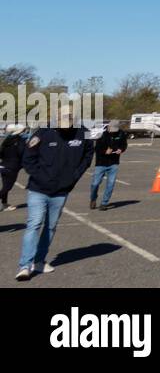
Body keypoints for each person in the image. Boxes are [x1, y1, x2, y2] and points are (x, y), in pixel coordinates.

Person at [16, 108, 94, 281]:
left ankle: (39, 261)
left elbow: (89, 155)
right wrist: (40, 177)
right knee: (34, 224)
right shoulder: (42, 133)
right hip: (38, 189)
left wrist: (74, 177)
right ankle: (24, 266)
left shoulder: (85, 133)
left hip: (62, 190)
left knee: (50, 227)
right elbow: (28, 158)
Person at [88, 120, 128, 210]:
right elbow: (96, 149)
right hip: (101, 163)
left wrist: (121, 149)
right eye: (112, 129)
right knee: (95, 184)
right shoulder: (102, 135)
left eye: (115, 130)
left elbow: (124, 145)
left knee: (110, 184)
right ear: (109, 127)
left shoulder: (121, 134)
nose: (114, 132)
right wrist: (105, 151)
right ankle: (93, 199)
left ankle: (104, 203)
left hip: (114, 163)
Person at [1, 123, 24, 210]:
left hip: (3, 165)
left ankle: (4, 204)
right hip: (12, 167)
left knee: (5, 187)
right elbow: (22, 153)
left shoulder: (6, 140)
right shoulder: (19, 140)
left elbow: (1, 153)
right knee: (7, 187)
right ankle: (4, 204)